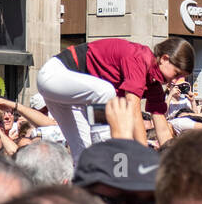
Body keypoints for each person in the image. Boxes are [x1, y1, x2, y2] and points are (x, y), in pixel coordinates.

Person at [36, 36, 193, 162]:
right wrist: (143, 158)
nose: (175, 81)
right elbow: (133, 109)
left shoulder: (154, 85)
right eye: (177, 73)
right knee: (105, 91)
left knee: (83, 156)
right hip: (54, 75)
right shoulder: (140, 57)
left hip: (67, 94)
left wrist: (172, 162)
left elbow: (162, 127)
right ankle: (106, 151)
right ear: (165, 59)